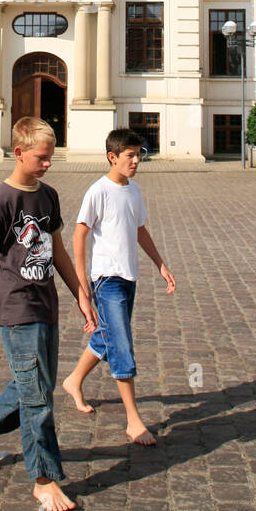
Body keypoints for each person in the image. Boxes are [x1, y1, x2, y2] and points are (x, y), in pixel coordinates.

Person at [0, 116, 97, 511]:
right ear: (19, 152)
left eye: (51, 157)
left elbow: (56, 251)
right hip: (15, 306)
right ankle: (43, 480)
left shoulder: (49, 195)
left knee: (35, 385)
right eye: (41, 158)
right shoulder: (0, 200)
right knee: (38, 397)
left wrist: (80, 294)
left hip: (46, 303)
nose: (48, 164)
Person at [62, 128, 176, 445]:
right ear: (112, 157)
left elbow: (140, 230)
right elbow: (79, 235)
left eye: (139, 154)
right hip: (106, 279)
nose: (137, 160)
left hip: (129, 276)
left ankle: (73, 380)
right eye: (130, 155)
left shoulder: (135, 190)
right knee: (122, 343)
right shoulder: (97, 191)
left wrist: (161, 264)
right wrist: (83, 285)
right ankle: (134, 420)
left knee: (107, 335)